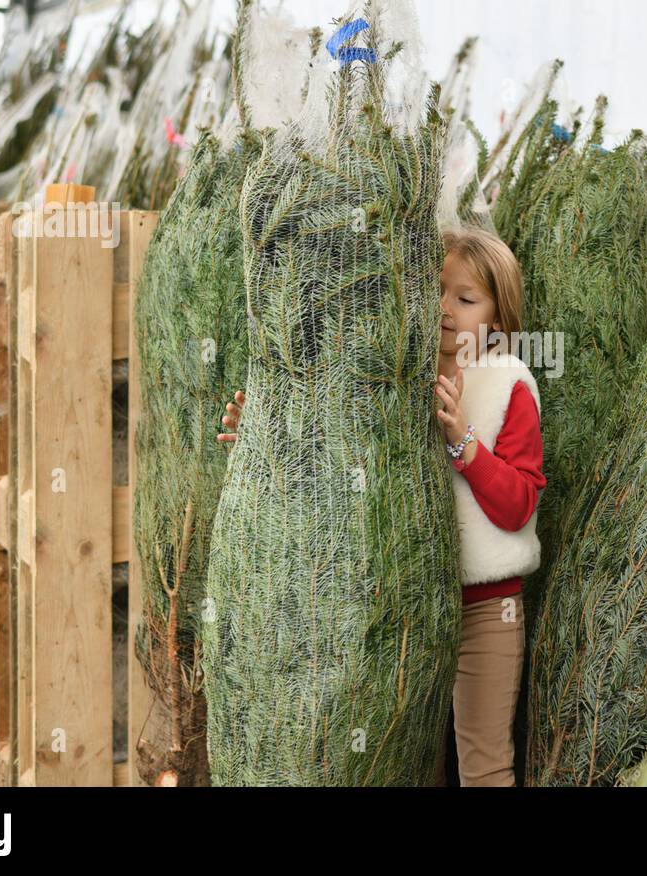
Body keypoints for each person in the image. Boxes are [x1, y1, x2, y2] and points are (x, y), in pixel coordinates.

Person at [218, 225, 545, 786]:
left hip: (486, 609)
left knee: (484, 760)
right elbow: (334, 461)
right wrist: (261, 437)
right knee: (398, 757)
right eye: (436, 289)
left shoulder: (508, 385)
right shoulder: (394, 375)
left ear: (500, 319)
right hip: (400, 603)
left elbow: (518, 505)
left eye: (465, 299)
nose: (445, 309)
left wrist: (466, 444)